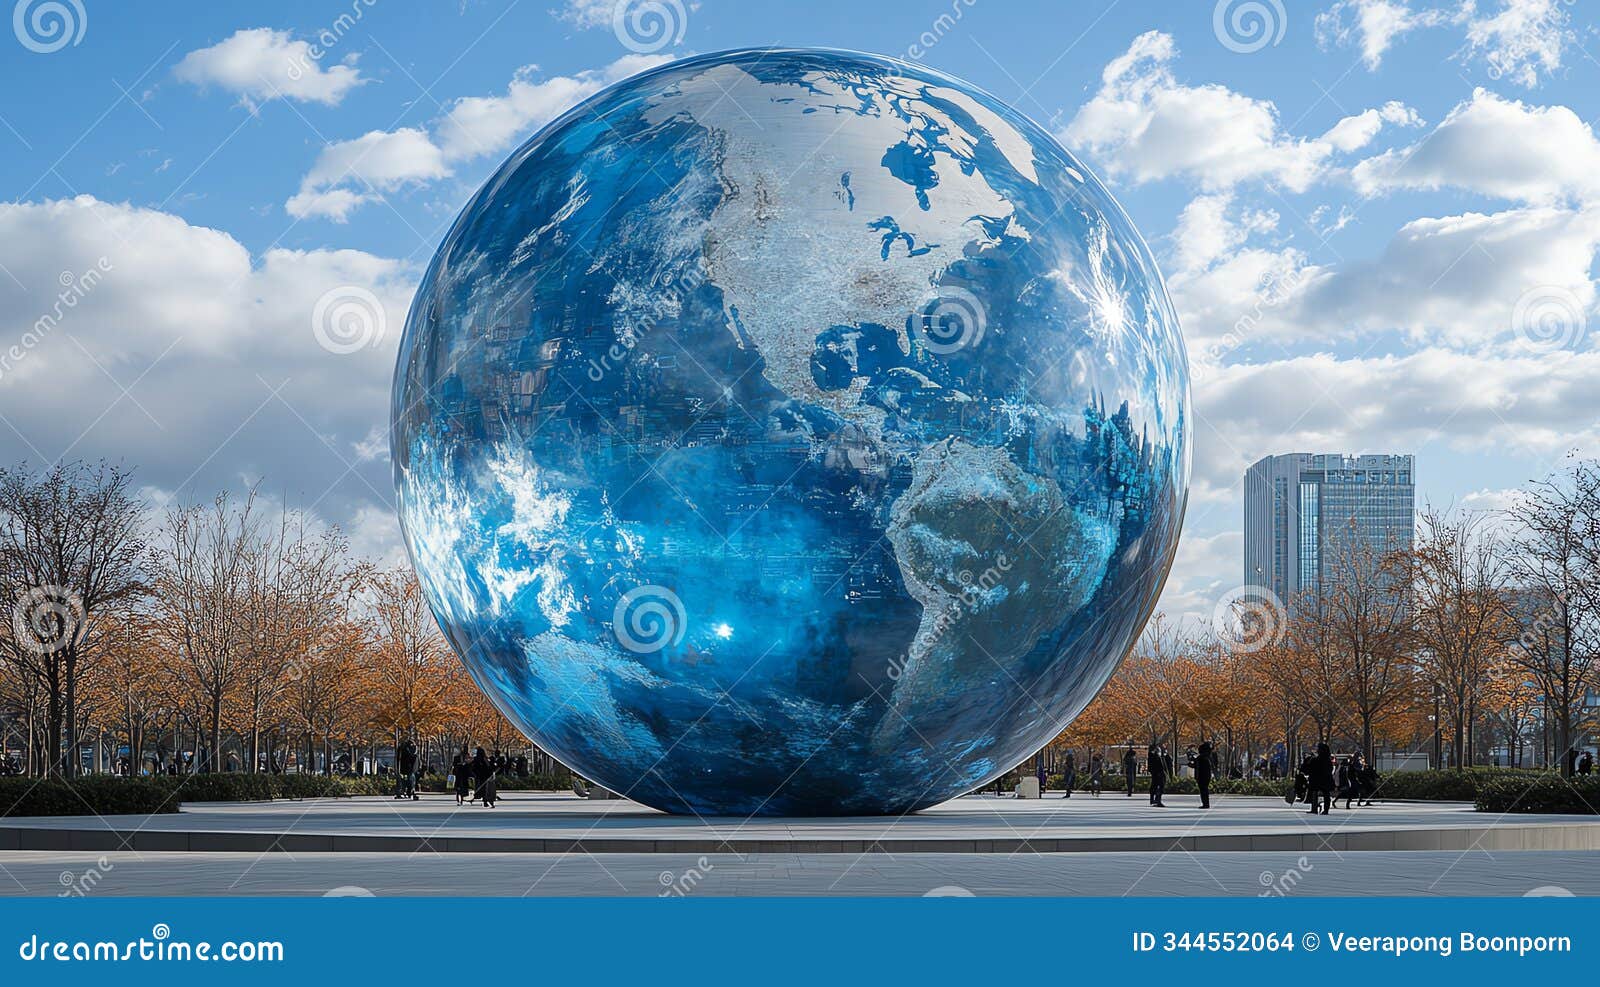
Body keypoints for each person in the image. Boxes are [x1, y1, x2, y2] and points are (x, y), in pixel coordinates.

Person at [1308, 743, 1334, 815]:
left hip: (1317, 779)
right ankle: (1326, 809)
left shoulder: (1316, 760)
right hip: (1326, 779)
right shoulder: (1328, 760)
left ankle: (1314, 808)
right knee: (1326, 794)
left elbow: (1311, 769)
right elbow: (1330, 770)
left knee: (1315, 793)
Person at [1195, 739, 1214, 809]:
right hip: (1206, 776)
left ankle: (1205, 804)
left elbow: (1198, 767)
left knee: (1203, 790)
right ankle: (1206, 803)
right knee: (1204, 790)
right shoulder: (1207, 757)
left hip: (1201, 776)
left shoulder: (1200, 758)